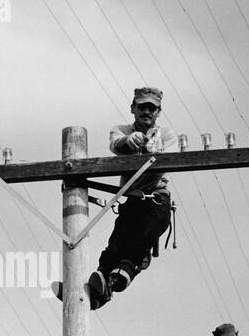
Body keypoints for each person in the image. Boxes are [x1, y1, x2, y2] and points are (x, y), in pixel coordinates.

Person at [52, 88, 178, 311]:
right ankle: (89, 292)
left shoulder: (167, 136)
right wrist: (131, 142)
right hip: (132, 202)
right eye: (142, 107)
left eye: (152, 108)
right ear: (133, 108)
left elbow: (171, 157)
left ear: (159, 111)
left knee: (135, 249)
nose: (146, 111)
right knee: (114, 248)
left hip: (156, 202)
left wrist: (152, 150)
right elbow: (116, 144)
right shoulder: (121, 131)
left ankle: (114, 281)